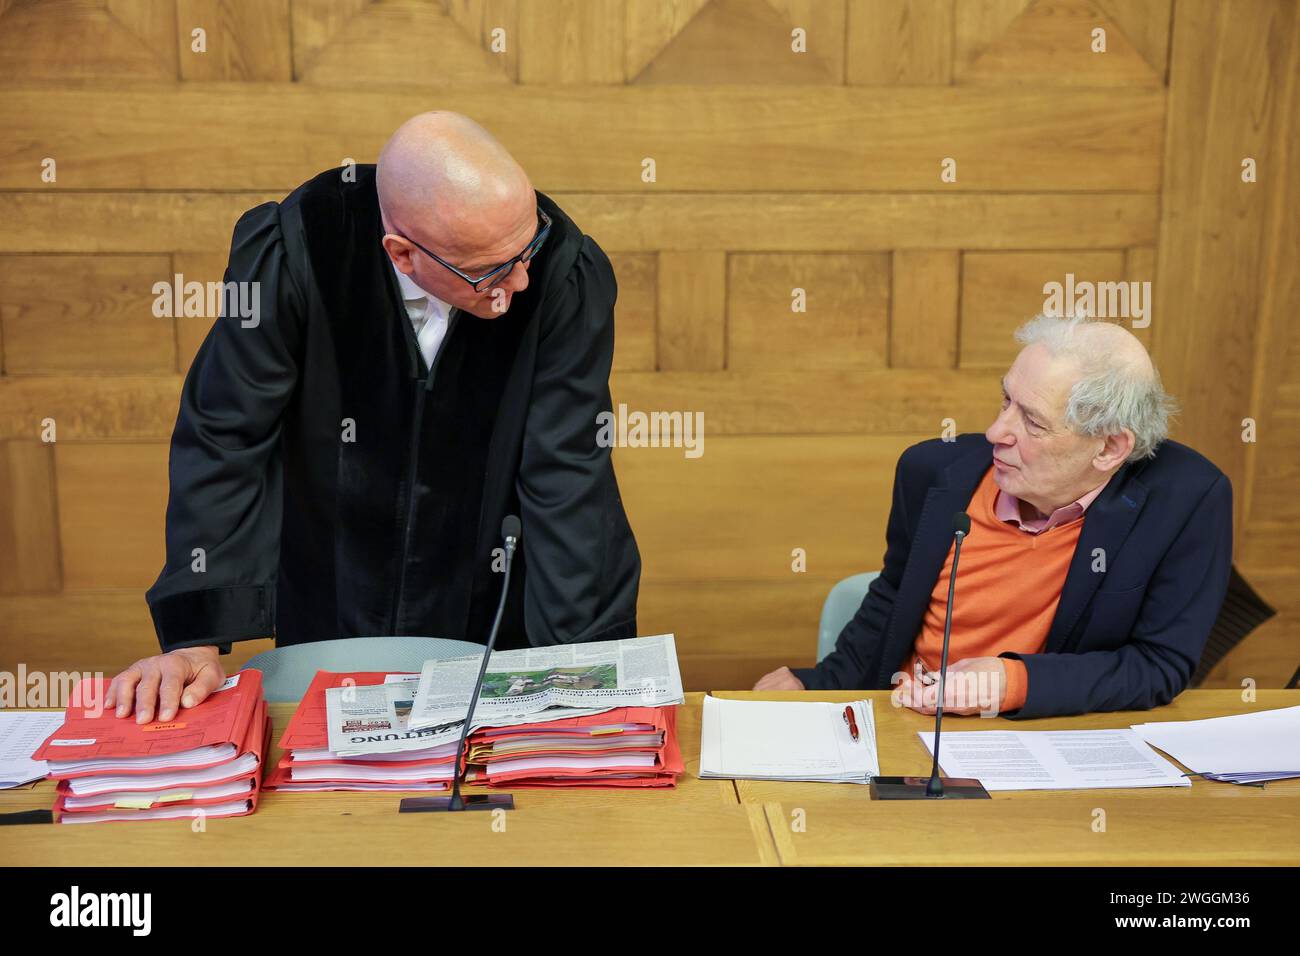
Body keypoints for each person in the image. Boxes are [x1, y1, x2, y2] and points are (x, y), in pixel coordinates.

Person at [110, 112, 640, 724]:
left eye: (527, 250)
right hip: (330, 588)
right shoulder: (298, 249)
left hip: (486, 596)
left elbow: (569, 471)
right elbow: (225, 435)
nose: (519, 282)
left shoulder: (560, 273)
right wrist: (194, 635)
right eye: (491, 271)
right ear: (403, 253)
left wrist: (586, 665)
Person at [755, 315, 1232, 719]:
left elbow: (1158, 666)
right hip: (910, 723)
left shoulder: (1186, 499)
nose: (996, 431)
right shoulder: (931, 473)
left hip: (1045, 743)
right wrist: (813, 685)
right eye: (1006, 401)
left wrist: (1010, 681)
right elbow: (891, 603)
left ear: (1109, 446)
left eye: (1033, 422)